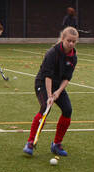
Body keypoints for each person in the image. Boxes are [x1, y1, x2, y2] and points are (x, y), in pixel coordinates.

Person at [23, 27, 79, 157]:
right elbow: (48, 76)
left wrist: (58, 92)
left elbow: (66, 78)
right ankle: (30, 142)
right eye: (68, 41)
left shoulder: (73, 57)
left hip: (58, 85)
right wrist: (49, 96)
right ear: (63, 39)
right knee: (45, 107)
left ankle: (56, 144)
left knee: (67, 110)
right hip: (43, 83)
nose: (71, 44)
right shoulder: (52, 53)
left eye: (73, 42)